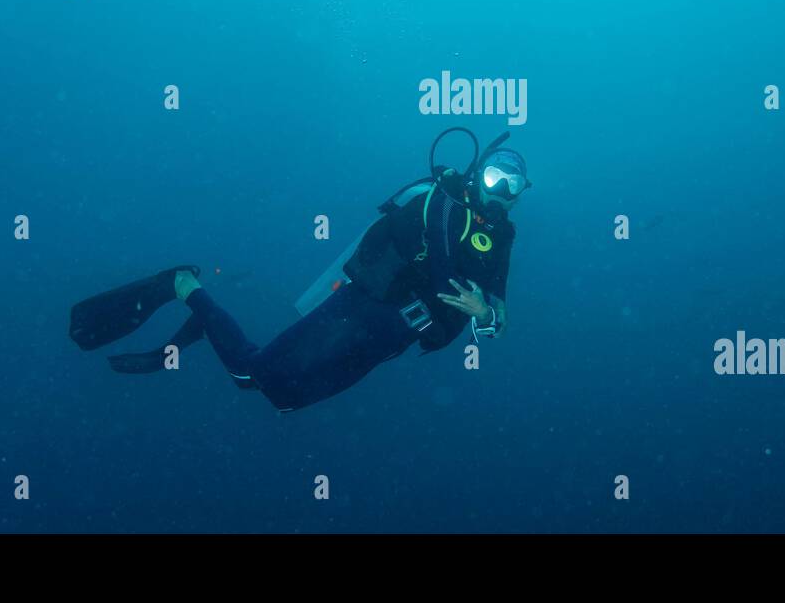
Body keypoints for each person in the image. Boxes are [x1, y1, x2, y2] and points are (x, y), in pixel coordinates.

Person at [69, 129, 529, 413]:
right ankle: (182, 285)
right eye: (495, 178)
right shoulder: (445, 203)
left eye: (512, 187)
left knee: (284, 398)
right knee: (251, 377)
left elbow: (498, 321)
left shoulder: (502, 241)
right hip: (361, 307)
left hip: (396, 338)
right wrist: (475, 308)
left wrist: (485, 317)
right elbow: (444, 274)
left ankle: (202, 322)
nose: (501, 192)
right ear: (478, 175)